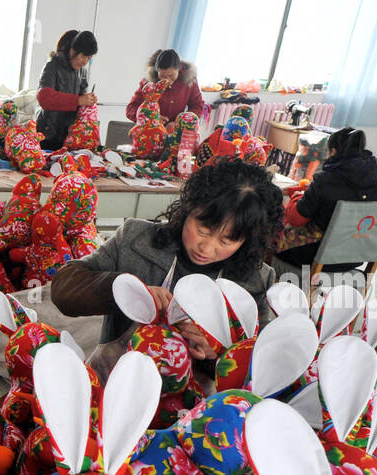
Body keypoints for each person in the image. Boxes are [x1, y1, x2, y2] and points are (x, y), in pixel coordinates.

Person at [50, 159, 282, 389]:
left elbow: (259, 370)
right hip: (110, 387)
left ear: (247, 241)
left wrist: (219, 355)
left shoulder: (254, 282)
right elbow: (63, 289)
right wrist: (125, 290)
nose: (207, 248)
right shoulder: (135, 240)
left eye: (227, 240)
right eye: (203, 230)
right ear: (187, 209)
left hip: (186, 413)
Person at [276, 127, 377, 268]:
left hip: (313, 257)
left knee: (270, 232)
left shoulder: (325, 181)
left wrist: (296, 197)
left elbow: (296, 219)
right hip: (354, 259)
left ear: (334, 152)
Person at [35, 30, 98, 151]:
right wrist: (78, 100)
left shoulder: (81, 71)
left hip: (68, 137)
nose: (85, 62)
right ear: (73, 50)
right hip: (47, 135)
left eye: (89, 58)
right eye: (83, 56)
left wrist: (88, 100)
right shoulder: (52, 65)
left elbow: (81, 99)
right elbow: (44, 98)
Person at [126, 48, 205, 131]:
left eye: (171, 75)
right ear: (157, 72)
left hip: (176, 134)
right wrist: (151, 119)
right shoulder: (148, 84)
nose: (167, 80)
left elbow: (198, 106)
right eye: (162, 76)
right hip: (151, 133)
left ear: (179, 69)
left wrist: (180, 122)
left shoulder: (189, 81)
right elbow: (131, 108)